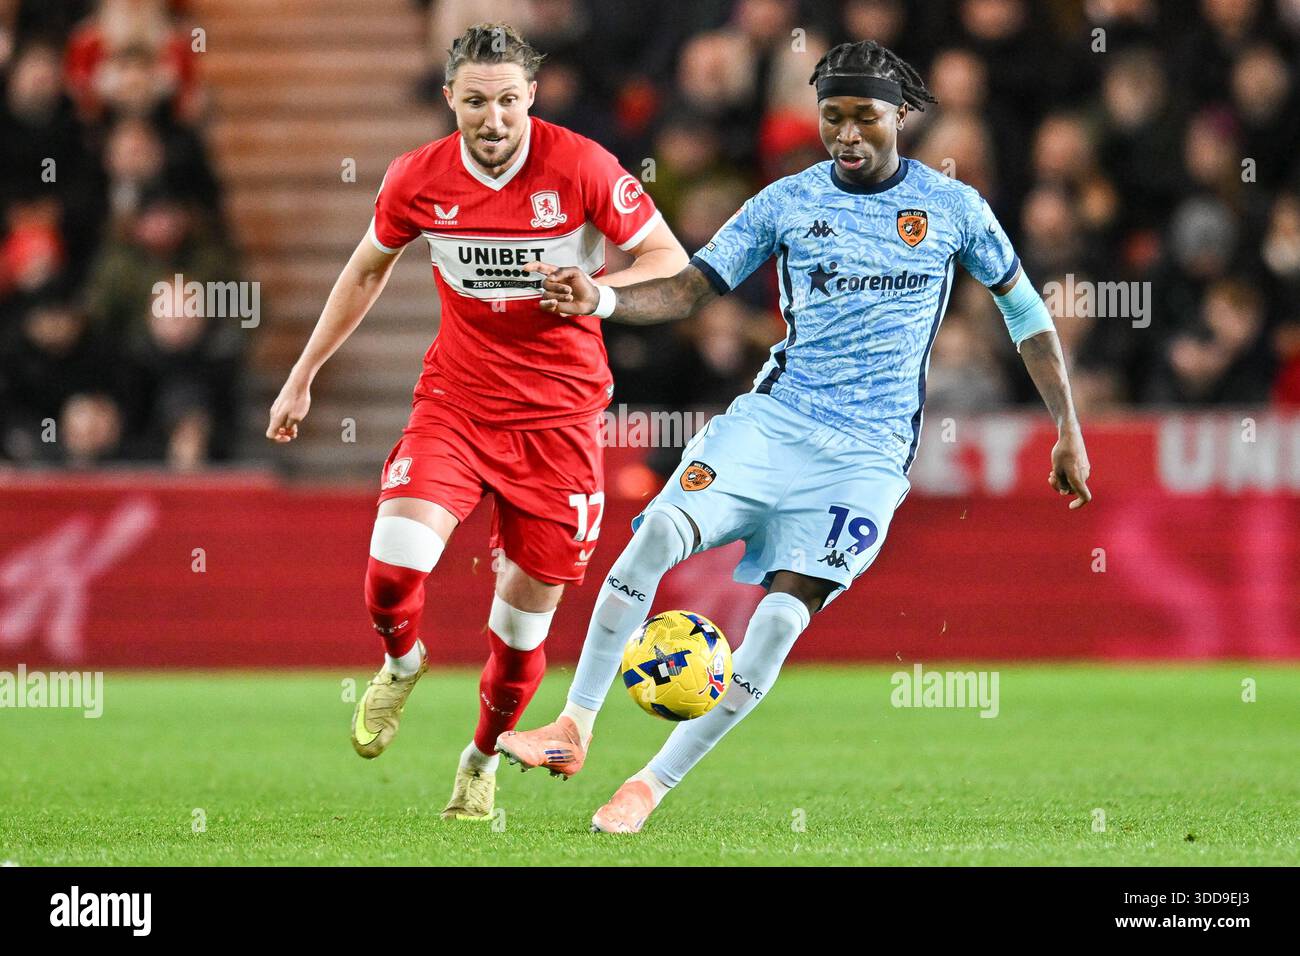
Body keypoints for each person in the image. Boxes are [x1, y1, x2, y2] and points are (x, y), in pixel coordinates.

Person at [497, 39, 1093, 833]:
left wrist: (1067, 430)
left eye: (864, 117)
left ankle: (649, 785)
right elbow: (688, 288)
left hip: (868, 459)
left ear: (901, 117)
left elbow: (1026, 317)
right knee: (653, 541)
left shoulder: (954, 209)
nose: (846, 133)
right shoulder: (786, 201)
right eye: (832, 116)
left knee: (777, 624)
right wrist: (600, 300)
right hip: (772, 425)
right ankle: (573, 724)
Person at [264, 22, 687, 821]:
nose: (493, 121)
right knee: (391, 569)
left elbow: (668, 260)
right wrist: (301, 376)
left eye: (507, 102)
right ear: (449, 99)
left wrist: (600, 297)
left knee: (519, 638)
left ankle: (481, 757)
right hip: (455, 407)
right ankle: (403, 660)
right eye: (475, 102)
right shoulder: (415, 178)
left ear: (532, 97)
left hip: (560, 427)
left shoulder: (584, 167)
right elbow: (365, 270)